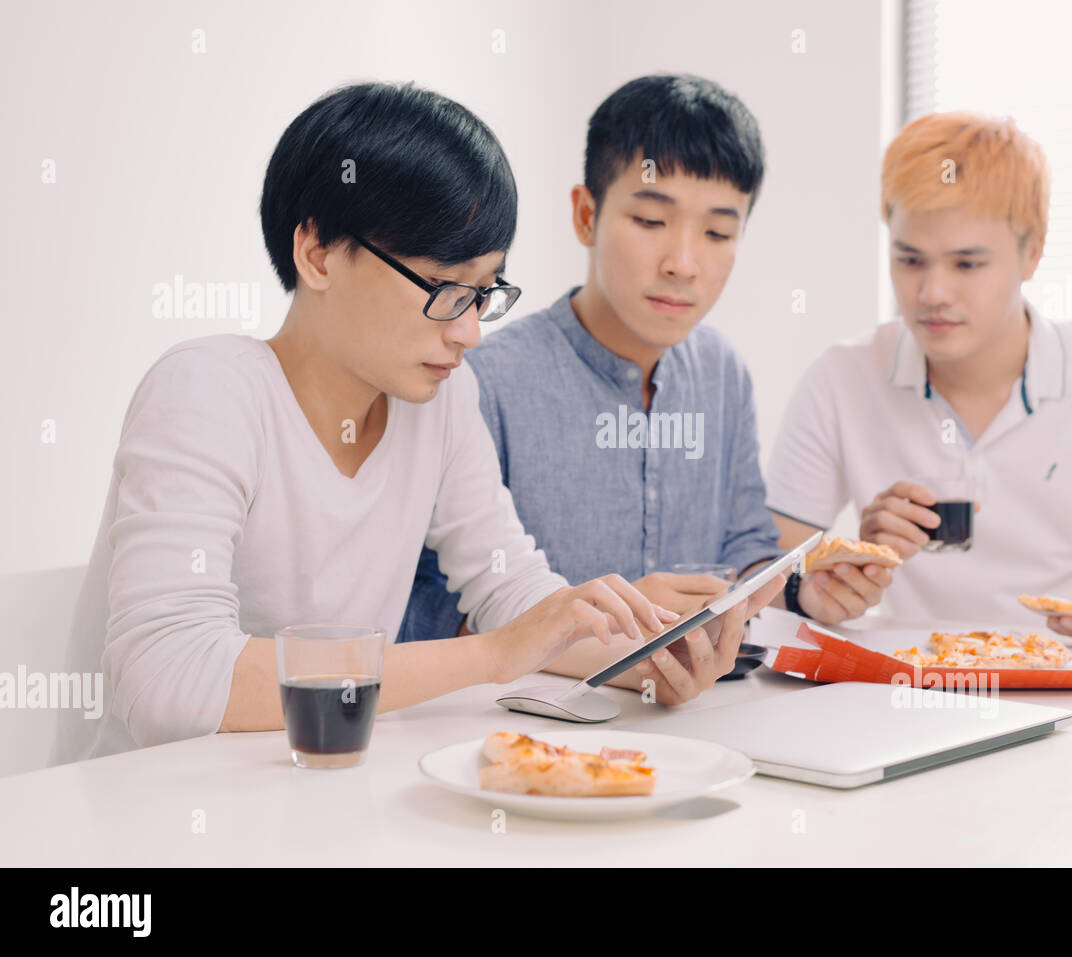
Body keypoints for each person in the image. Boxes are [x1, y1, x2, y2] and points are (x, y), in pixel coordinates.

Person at [52, 81, 781, 766]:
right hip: (151, 814)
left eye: (484, 292)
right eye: (443, 288)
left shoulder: (438, 403)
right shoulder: (207, 391)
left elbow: (515, 595)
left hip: (325, 795)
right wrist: (493, 655)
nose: (469, 332)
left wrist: (651, 663)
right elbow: (169, 683)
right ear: (317, 252)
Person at [398, 73, 888, 673]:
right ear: (586, 215)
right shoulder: (482, 379)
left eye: (717, 232)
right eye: (652, 222)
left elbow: (746, 549)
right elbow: (420, 609)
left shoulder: (722, 372)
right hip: (530, 724)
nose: (683, 263)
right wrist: (605, 625)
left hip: (699, 713)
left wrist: (802, 588)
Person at [764, 111, 1072, 641]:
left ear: (1033, 252)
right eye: (910, 260)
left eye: (967, 264)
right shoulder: (839, 379)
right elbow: (772, 578)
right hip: (909, 689)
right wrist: (833, 576)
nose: (932, 293)